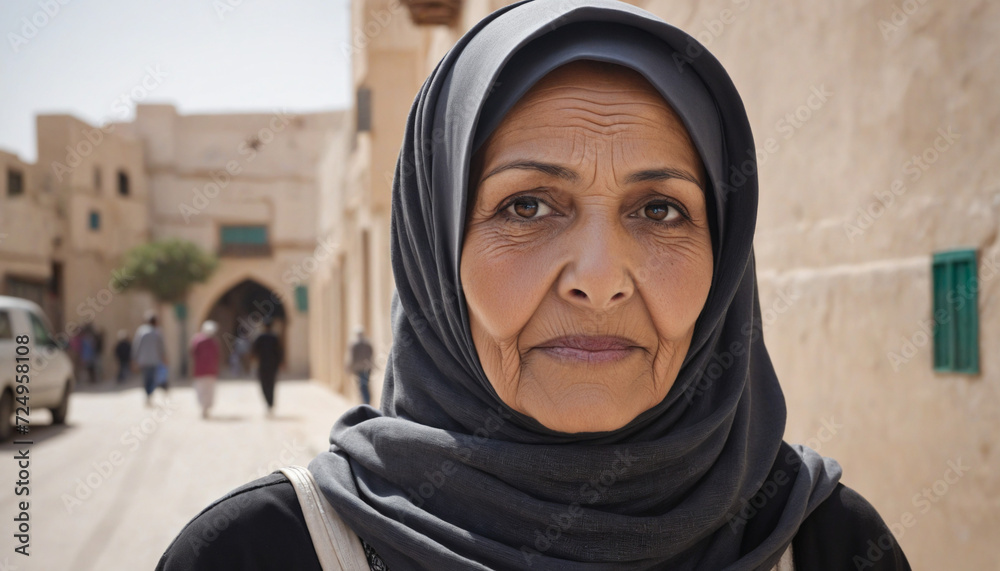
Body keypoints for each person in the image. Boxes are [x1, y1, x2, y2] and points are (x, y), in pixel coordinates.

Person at [157, 1, 911, 569]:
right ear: (435, 251)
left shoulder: (829, 546)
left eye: (660, 209)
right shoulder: (262, 554)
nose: (598, 278)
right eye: (527, 205)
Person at [132, 312, 167, 407]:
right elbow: (161, 347)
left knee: (146, 379)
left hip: (143, 360)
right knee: (152, 379)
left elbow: (136, 346)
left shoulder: (141, 331)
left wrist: (135, 359)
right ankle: (149, 394)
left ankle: (148, 394)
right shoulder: (157, 332)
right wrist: (164, 357)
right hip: (154, 360)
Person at [250, 318, 283, 416]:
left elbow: (254, 351)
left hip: (263, 365)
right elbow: (280, 352)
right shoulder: (274, 337)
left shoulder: (260, 337)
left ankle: (268, 403)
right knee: (271, 384)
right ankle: (270, 403)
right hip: (273, 365)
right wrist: (280, 363)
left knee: (264, 384)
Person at [190, 320, 221, 419]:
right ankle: (206, 407)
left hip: (200, 370)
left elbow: (192, 353)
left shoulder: (197, 340)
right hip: (211, 370)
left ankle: (204, 407)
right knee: (209, 391)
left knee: (201, 390)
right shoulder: (214, 342)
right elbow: (218, 356)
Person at [346, 327, 374, 405]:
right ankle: (366, 402)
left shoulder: (354, 344)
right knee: (365, 386)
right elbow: (371, 355)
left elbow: (351, 358)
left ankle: (365, 403)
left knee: (362, 386)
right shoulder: (367, 343)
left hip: (359, 368)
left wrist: (349, 368)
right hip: (367, 368)